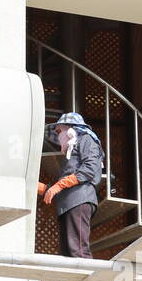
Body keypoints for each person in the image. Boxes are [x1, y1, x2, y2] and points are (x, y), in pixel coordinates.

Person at [38, 111, 103, 259]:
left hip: (79, 200)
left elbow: (89, 169)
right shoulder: (71, 152)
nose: (57, 134)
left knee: (78, 251)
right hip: (68, 203)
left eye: (59, 130)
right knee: (68, 254)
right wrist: (41, 187)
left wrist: (59, 185)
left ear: (71, 130)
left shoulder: (86, 139)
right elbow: (62, 188)